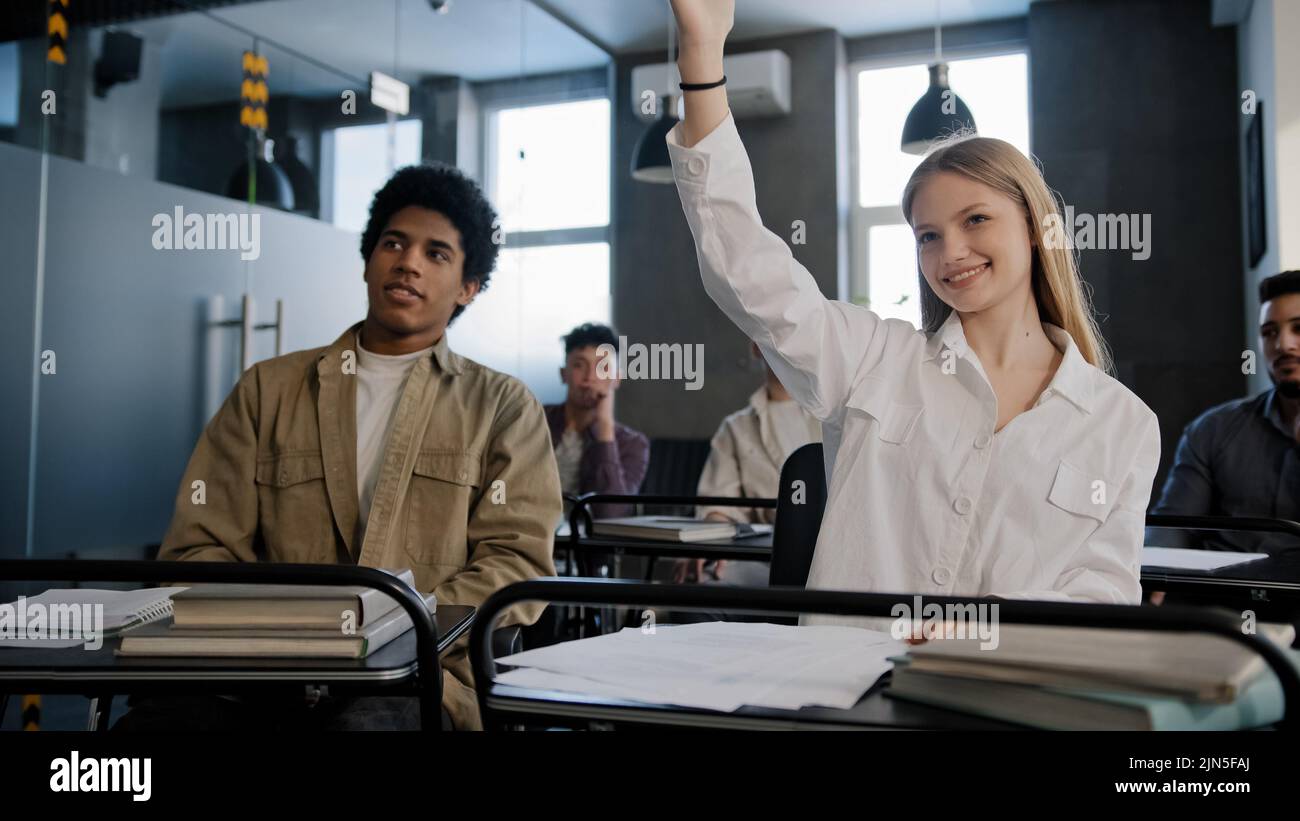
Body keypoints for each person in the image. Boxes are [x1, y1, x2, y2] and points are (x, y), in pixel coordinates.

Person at [664, 0, 1160, 627]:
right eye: (927, 235)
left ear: (1036, 228)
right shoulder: (875, 358)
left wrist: (969, 638)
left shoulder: (1122, 424)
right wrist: (702, 53)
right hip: (847, 695)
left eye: (975, 219)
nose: (950, 252)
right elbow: (744, 266)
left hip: (1004, 700)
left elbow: (1102, 599)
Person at [115, 164, 561, 731]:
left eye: (437, 253)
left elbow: (515, 563)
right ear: (369, 260)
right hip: (259, 675)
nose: (408, 262)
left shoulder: (502, 406)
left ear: (468, 287)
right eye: (393, 243)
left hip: (420, 677)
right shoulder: (266, 389)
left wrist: (391, 627)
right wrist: (283, 632)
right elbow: (198, 548)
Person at [1152, 270, 1300, 552]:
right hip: (1222, 592)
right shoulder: (1213, 430)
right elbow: (1172, 528)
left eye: (1299, 328)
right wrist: (1153, 581)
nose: (1283, 345)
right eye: (1269, 333)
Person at [674, 341, 821, 586]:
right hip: (765, 557)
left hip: (832, 556)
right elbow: (719, 508)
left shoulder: (838, 416)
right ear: (755, 345)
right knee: (701, 585)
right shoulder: (735, 428)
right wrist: (709, 542)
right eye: (772, 331)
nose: (786, 343)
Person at [545, 322, 650, 519]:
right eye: (579, 365)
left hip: (588, 548)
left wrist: (605, 430)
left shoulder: (633, 444)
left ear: (616, 379)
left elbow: (611, 514)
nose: (590, 377)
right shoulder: (537, 420)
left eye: (602, 367)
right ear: (563, 374)